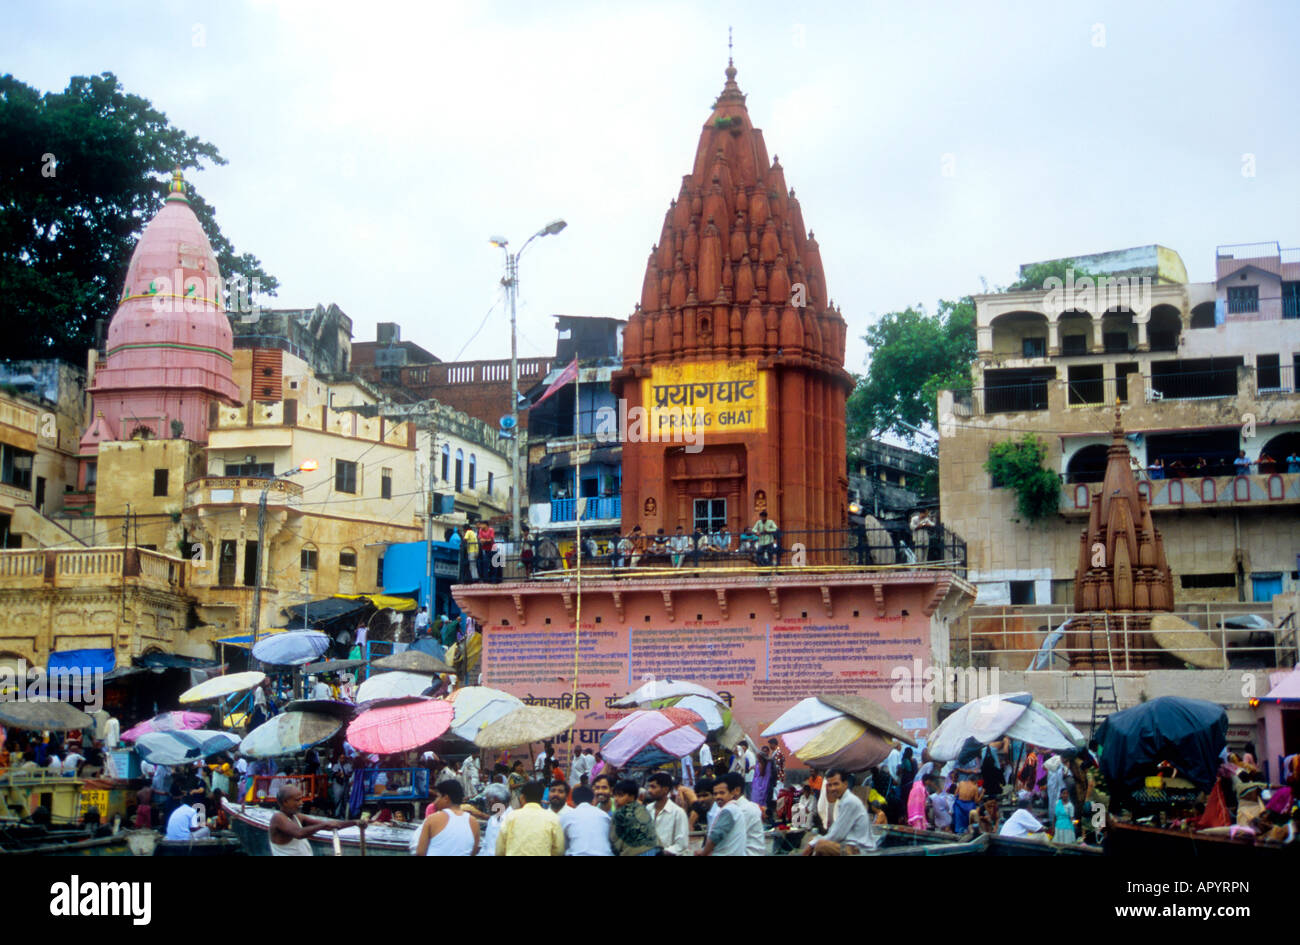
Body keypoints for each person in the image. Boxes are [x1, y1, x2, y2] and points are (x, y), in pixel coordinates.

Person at [802, 769, 877, 855]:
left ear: (845, 784)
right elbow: (834, 831)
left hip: (859, 849)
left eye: (836, 784)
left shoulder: (849, 802)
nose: (833, 788)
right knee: (814, 840)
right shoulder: (842, 801)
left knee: (820, 845)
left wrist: (812, 844)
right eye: (830, 785)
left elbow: (837, 835)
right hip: (849, 845)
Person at [269, 783, 345, 855]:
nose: (301, 803)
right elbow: (299, 833)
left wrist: (354, 822)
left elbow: (329, 825)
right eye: (297, 800)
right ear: (285, 802)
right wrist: (324, 825)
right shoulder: (277, 818)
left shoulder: (297, 816)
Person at [496, 780, 564, 856]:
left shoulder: (511, 816)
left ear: (522, 797)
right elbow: (558, 851)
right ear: (541, 798)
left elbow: (500, 850)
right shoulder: (553, 818)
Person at [416, 779, 480, 856]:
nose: (435, 802)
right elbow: (473, 852)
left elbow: (420, 852)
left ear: (446, 798)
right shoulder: (474, 823)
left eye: (438, 797)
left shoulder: (432, 820)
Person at [697, 777, 746, 856]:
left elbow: (715, 837)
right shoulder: (733, 809)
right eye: (715, 794)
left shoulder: (729, 810)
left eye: (722, 793)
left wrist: (703, 853)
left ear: (731, 793)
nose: (718, 797)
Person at [609, 779, 659, 856]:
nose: (616, 799)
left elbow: (614, 840)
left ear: (632, 796)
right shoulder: (643, 809)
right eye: (614, 795)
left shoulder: (619, 813)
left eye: (620, 795)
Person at [559, 784, 614, 856]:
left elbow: (562, 846)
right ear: (593, 801)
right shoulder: (604, 815)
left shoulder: (567, 816)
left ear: (573, 803)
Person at [646, 772, 689, 856]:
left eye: (653, 787)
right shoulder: (648, 809)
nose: (649, 790)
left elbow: (682, 845)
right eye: (649, 786)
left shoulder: (678, 813)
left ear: (665, 789)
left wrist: (661, 853)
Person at [475, 783, 511, 856]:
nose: (487, 805)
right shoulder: (492, 819)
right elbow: (486, 846)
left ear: (498, 800)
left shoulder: (512, 819)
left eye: (489, 801)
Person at [750, 746, 774, 823]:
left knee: (760, 804)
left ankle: (763, 819)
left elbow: (762, 773)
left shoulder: (765, 763)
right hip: (757, 786)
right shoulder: (761, 762)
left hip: (761, 787)